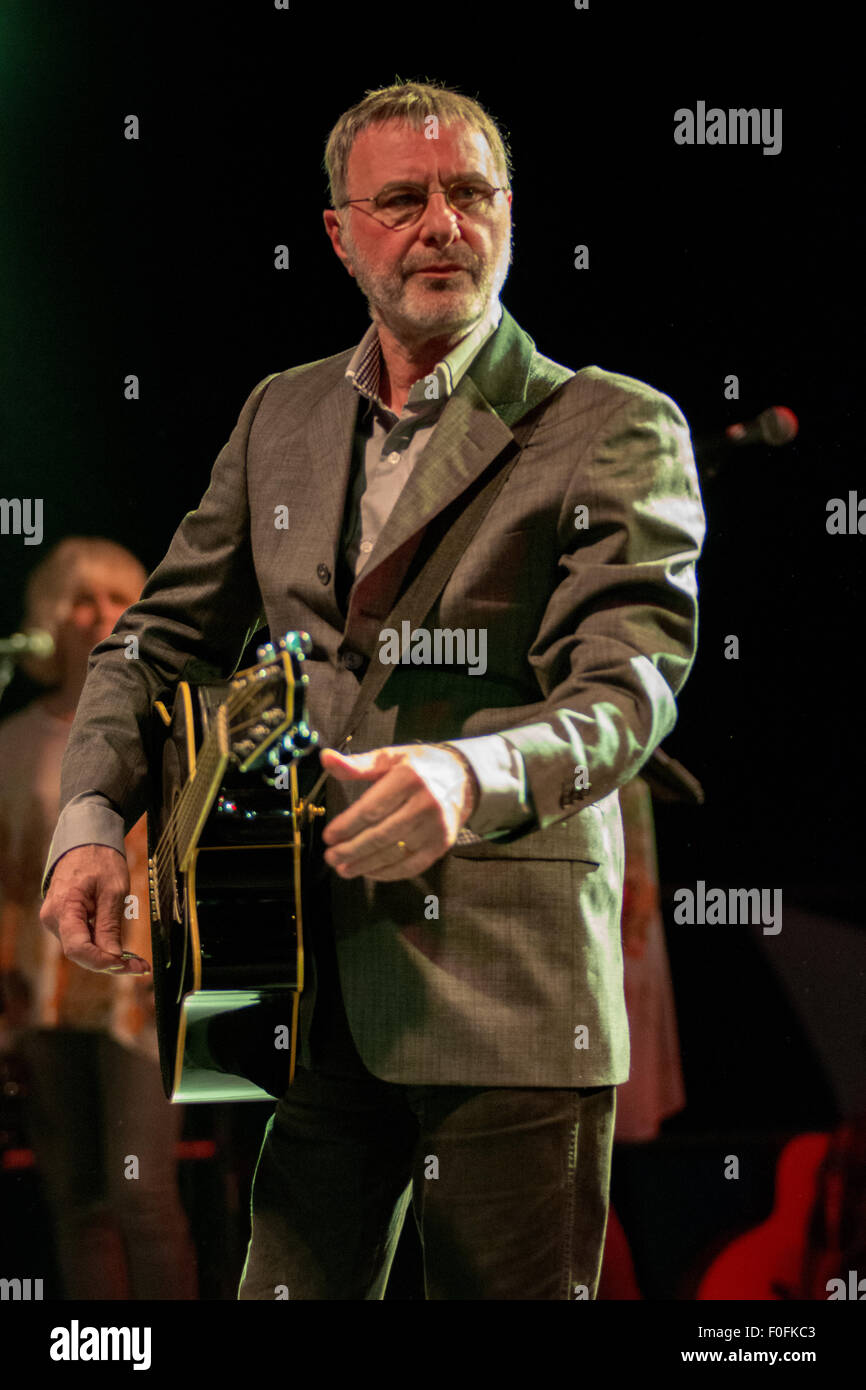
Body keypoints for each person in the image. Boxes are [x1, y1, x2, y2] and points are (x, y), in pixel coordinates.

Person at [39, 80, 705, 1300]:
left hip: (510, 992)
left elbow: (627, 689)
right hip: (286, 974)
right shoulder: (278, 414)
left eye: (469, 194)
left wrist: (465, 775)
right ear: (340, 235)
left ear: (509, 213)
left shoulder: (611, 424)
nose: (440, 224)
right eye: (401, 200)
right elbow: (155, 640)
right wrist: (89, 816)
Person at [0, 538, 198, 1300]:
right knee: (78, 1200)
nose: (99, 616)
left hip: (140, 991)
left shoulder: (165, 727)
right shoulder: (15, 742)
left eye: (117, 597)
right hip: (44, 993)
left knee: (143, 1195)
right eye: (81, 600)